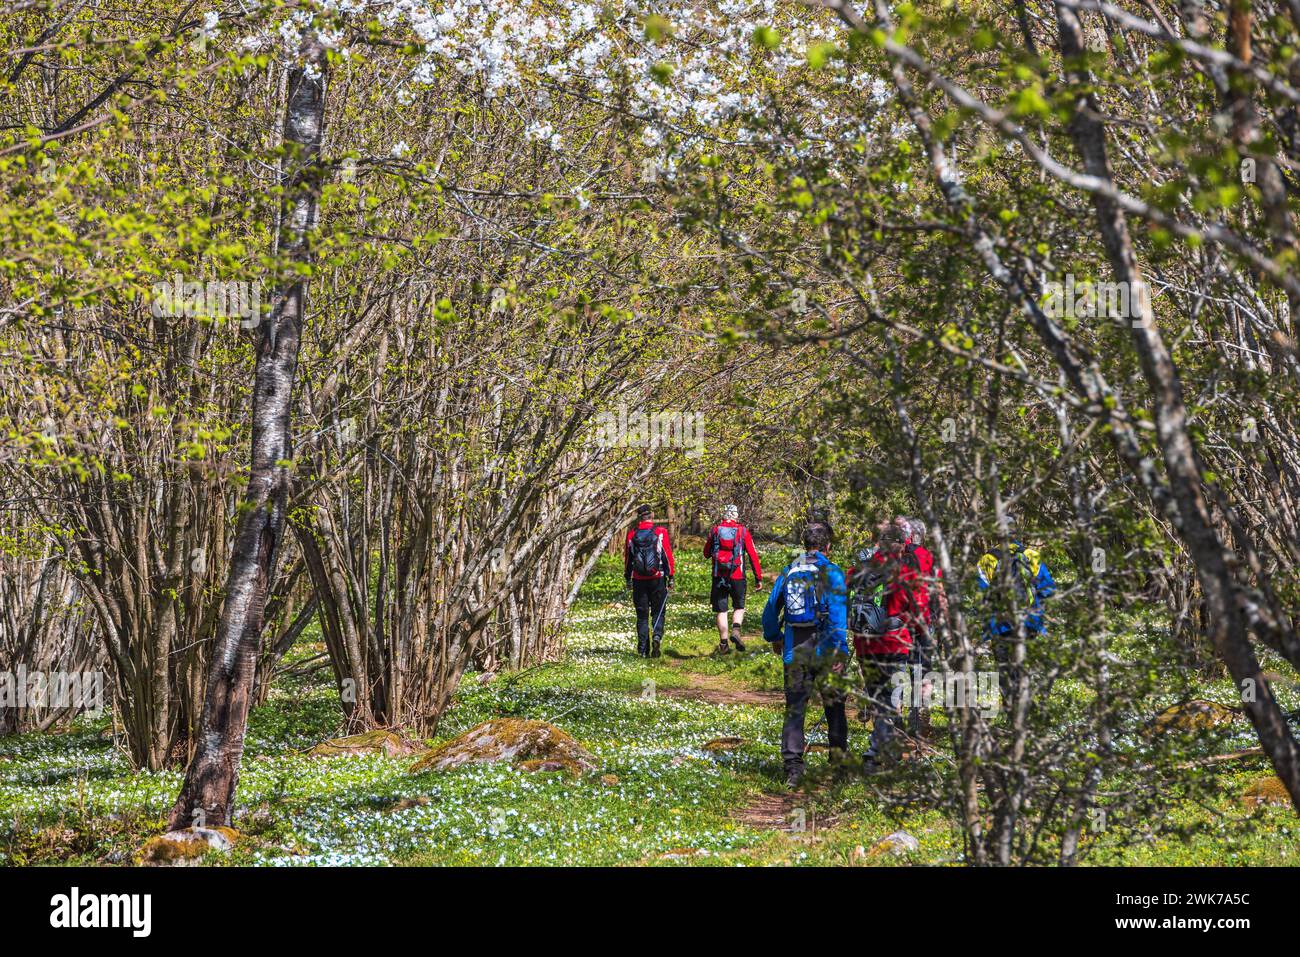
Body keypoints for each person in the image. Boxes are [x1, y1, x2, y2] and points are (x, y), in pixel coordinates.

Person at [762, 522, 850, 789]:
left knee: (795, 708)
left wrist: (775, 637)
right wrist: (839, 652)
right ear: (827, 546)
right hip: (826, 652)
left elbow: (769, 611)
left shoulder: (790, 570)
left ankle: (793, 767)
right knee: (834, 708)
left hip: (794, 652)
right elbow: (837, 616)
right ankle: (837, 766)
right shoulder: (832, 572)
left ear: (805, 545)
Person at [856, 521, 928, 772]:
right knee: (890, 699)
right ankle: (873, 754)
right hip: (894, 644)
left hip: (864, 644)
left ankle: (890, 749)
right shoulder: (905, 571)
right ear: (899, 544)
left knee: (880, 698)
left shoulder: (861, 567)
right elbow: (919, 610)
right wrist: (922, 633)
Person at [976, 523, 1055, 699]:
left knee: (1004, 671)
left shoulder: (986, 560)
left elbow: (980, 597)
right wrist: (1039, 616)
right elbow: (1048, 590)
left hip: (1000, 625)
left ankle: (1010, 710)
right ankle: (1026, 711)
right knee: (1023, 668)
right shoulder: (1032, 555)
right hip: (1029, 623)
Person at [704, 504, 763, 654]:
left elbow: (706, 553)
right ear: (736, 516)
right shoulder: (742, 531)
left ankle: (723, 645)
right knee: (739, 607)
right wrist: (758, 578)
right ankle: (736, 629)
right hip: (737, 575)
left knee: (721, 610)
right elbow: (753, 555)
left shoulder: (715, 530)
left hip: (719, 576)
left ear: (724, 515)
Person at [624, 503, 675, 658]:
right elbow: (667, 555)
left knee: (642, 615)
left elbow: (628, 559)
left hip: (639, 580)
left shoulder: (632, 534)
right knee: (658, 611)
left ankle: (642, 649)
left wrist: (628, 578)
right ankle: (657, 636)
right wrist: (670, 576)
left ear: (639, 518)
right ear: (651, 515)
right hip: (657, 578)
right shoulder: (660, 532)